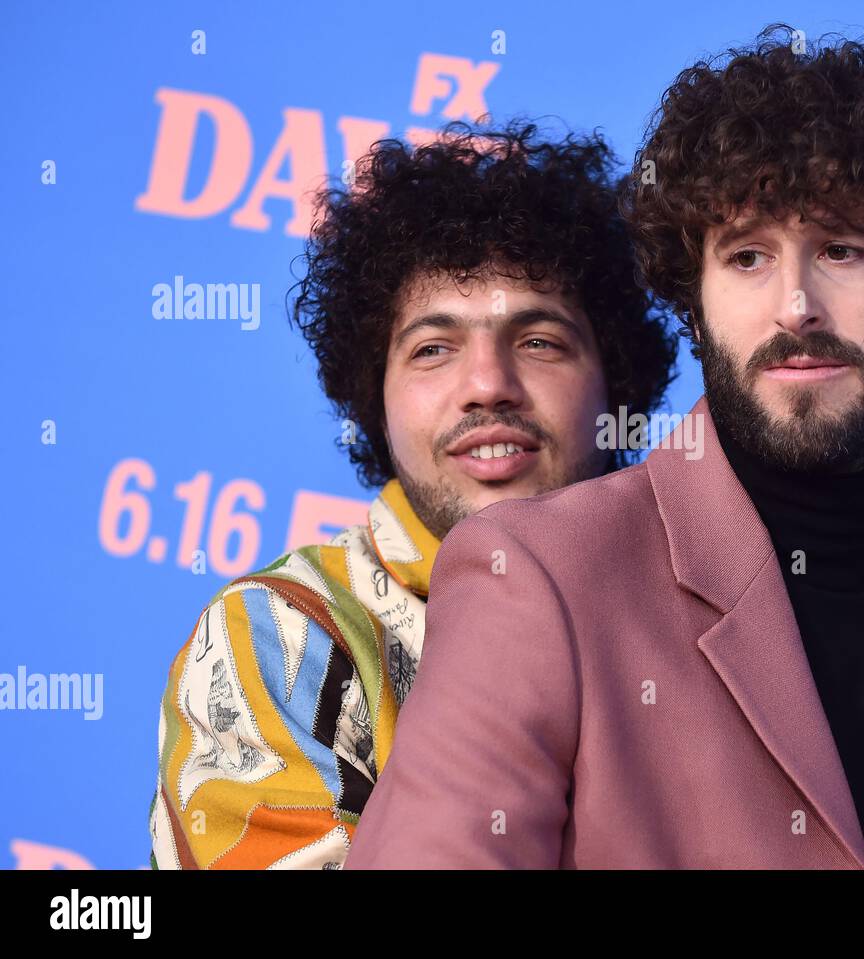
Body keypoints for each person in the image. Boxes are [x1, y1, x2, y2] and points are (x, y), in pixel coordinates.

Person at [345, 26, 864, 869]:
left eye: (843, 250)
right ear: (694, 308)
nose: (797, 306)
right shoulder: (537, 576)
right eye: (747, 257)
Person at [149, 123, 676, 868]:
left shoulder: (707, 614)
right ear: (376, 397)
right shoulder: (284, 635)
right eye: (434, 347)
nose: (488, 383)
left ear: (613, 382)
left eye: (539, 340)